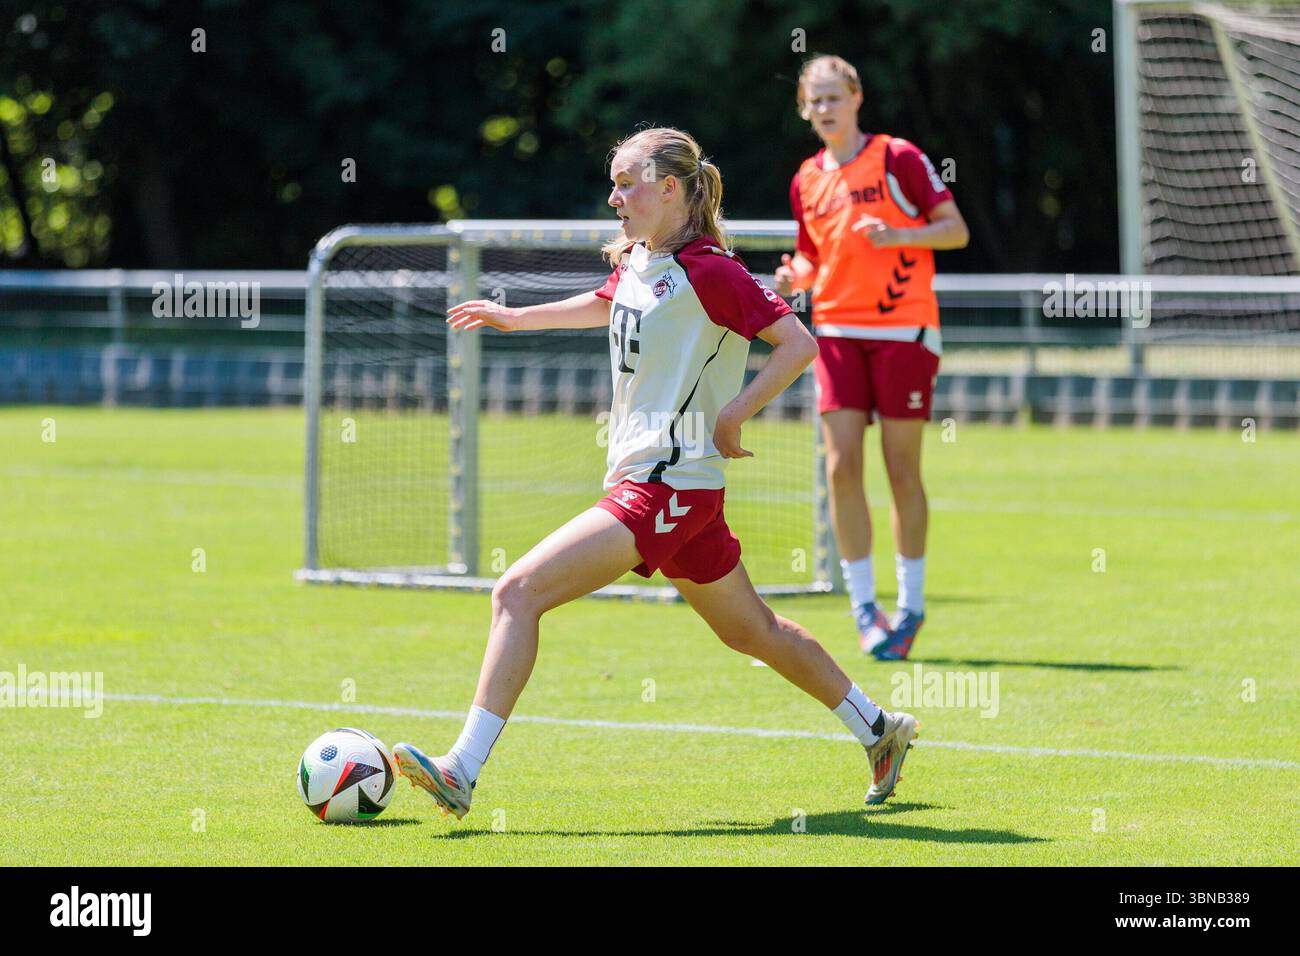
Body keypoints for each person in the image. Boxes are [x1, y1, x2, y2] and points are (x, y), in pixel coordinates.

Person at [392, 127, 917, 819]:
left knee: (517, 591)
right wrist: (515, 318)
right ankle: (880, 730)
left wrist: (734, 413)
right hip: (659, 484)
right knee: (752, 631)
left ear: (670, 188)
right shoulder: (641, 259)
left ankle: (461, 769)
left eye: (626, 183)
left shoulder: (714, 272)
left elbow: (797, 342)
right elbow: (606, 302)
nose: (614, 196)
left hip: (670, 487)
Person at [775, 55, 970, 661]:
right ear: (806, 109)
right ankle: (864, 607)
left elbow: (954, 230)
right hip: (834, 330)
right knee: (840, 468)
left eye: (835, 97)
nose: (826, 109)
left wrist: (899, 236)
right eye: (816, 101)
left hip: (903, 330)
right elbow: (813, 260)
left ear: (857, 98)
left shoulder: (897, 158)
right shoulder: (806, 177)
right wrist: (793, 277)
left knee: (901, 468)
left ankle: (910, 606)